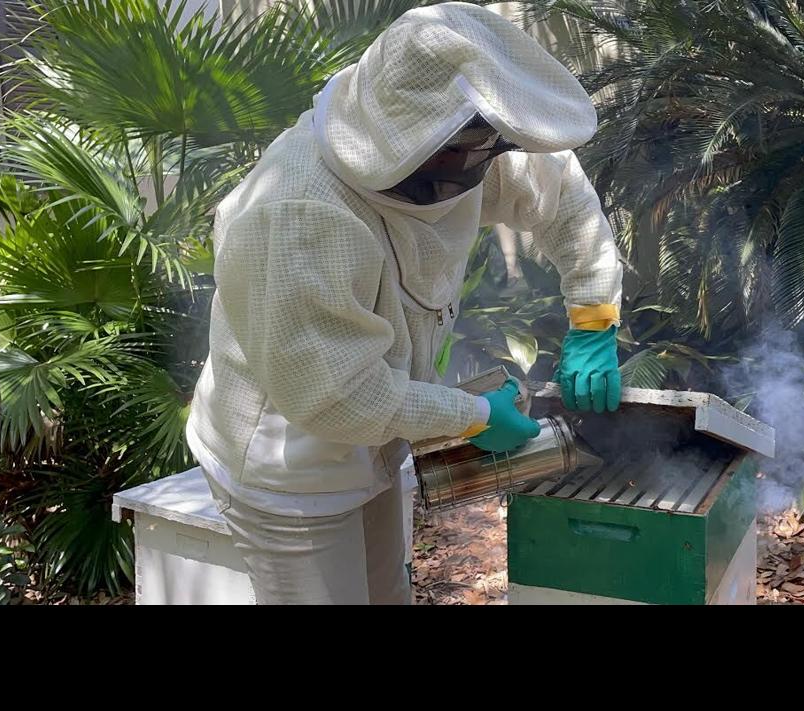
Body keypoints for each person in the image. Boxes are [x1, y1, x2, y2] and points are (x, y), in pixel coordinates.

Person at [185, 2, 623, 604]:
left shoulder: (454, 132)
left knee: (388, 592)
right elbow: (335, 396)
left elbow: (562, 197)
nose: (475, 166)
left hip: (378, 432)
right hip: (290, 466)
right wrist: (472, 416)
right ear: (407, 141)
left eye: (484, 148)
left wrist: (594, 317)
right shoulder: (295, 213)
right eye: (459, 153)